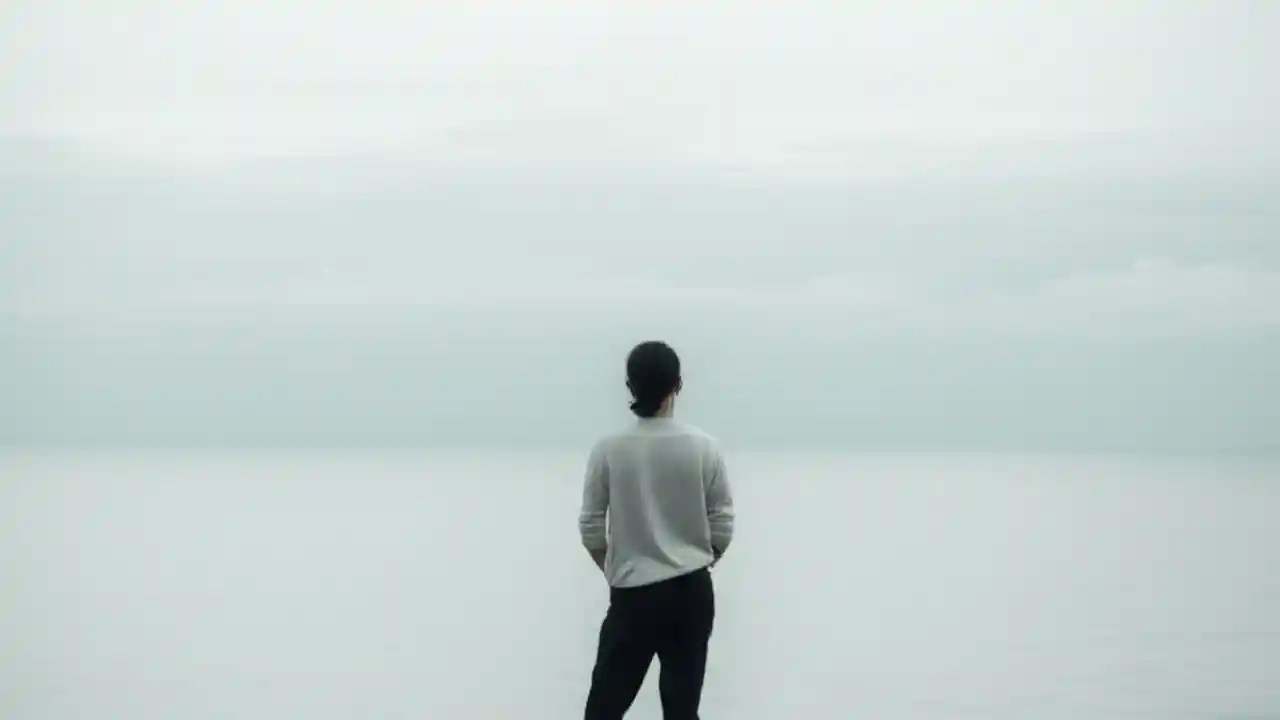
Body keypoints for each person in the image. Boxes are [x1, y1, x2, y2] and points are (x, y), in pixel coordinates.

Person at [579, 341, 735, 720]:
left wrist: (615, 567)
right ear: (677, 384)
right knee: (682, 711)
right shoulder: (704, 447)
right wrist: (700, 559)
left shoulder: (609, 449)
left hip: (633, 593)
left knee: (603, 710)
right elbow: (723, 522)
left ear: (631, 386)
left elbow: (591, 527)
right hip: (691, 591)